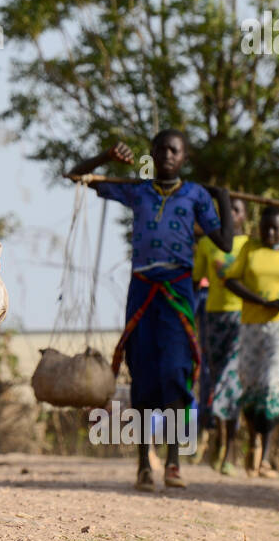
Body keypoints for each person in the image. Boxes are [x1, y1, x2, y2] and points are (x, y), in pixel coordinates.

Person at [69, 131, 234, 491]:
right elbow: (76, 176)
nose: (167, 155)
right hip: (142, 289)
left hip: (177, 289)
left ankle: (173, 462)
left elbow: (225, 242)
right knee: (142, 372)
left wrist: (221, 199)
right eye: (161, 149)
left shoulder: (196, 196)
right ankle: (144, 464)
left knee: (176, 372)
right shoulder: (137, 191)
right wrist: (105, 155)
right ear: (153, 154)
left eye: (174, 150)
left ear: (183, 157)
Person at [212, 205, 279, 477]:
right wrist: (263, 301)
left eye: (275, 228)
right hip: (250, 327)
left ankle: (265, 457)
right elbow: (230, 281)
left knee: (270, 387)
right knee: (250, 387)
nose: (269, 232)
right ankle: (253, 440)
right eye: (265, 227)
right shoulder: (249, 250)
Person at [192, 197, 249, 468]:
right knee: (214, 376)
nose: (229, 216)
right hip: (213, 316)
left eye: (235, 211)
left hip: (243, 317)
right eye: (225, 211)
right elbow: (196, 282)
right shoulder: (205, 244)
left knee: (232, 377)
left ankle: (229, 447)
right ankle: (217, 439)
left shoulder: (249, 246)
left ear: (243, 217)